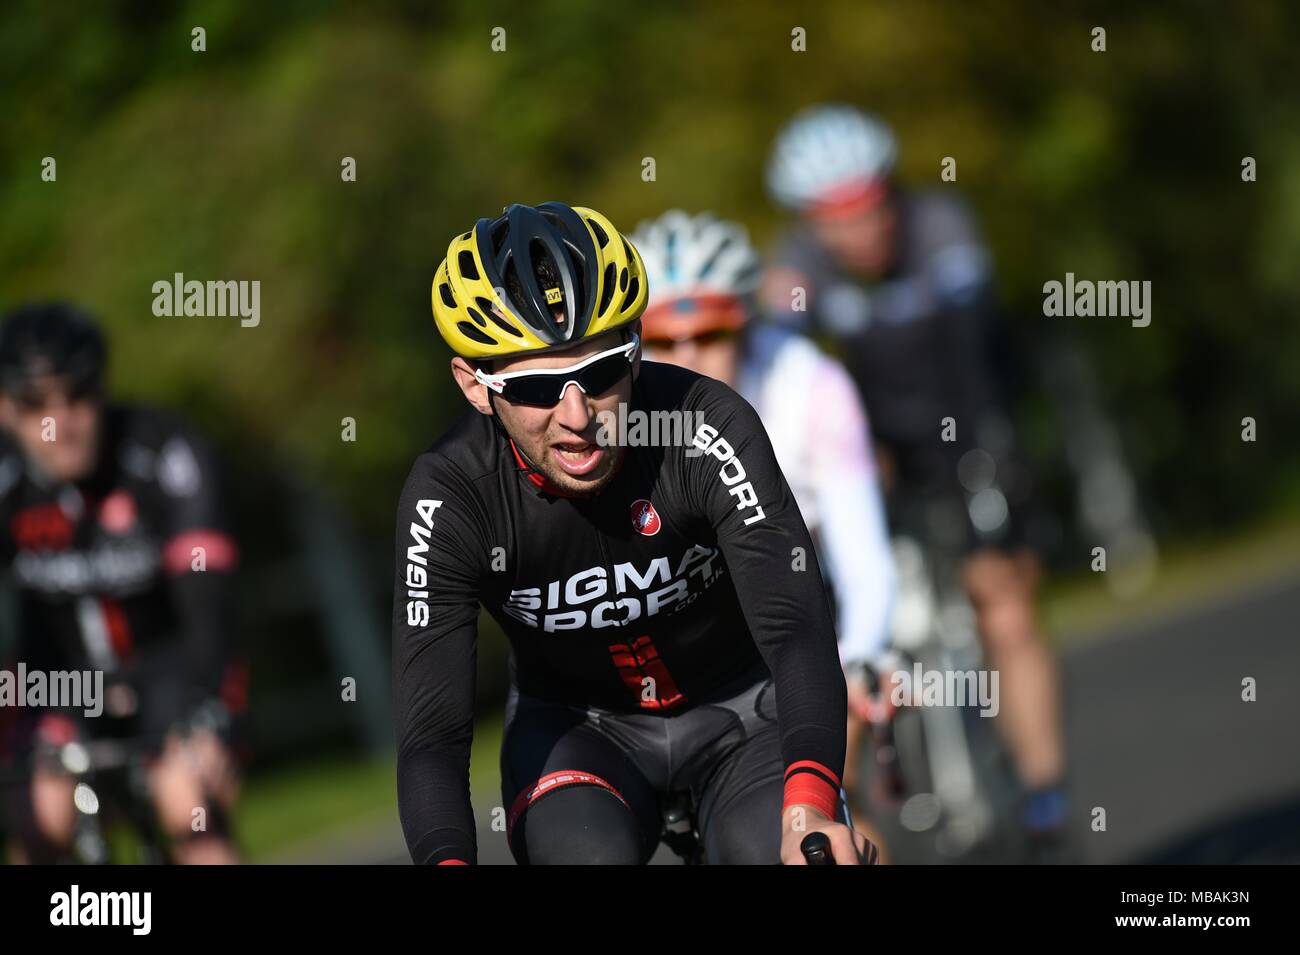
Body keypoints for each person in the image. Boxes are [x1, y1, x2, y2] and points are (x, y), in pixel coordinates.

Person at [394, 201, 874, 865]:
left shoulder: (703, 426)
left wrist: (810, 809)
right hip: (580, 733)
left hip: (745, 714)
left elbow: (796, 626)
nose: (576, 414)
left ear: (637, 349)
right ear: (476, 386)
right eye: (536, 386)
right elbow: (432, 733)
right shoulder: (449, 496)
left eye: (598, 372)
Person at [764, 105, 1069, 845]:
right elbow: (777, 369)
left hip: (972, 427)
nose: (858, 229)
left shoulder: (941, 227)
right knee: (845, 625)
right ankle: (841, 807)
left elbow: (977, 362)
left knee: (1002, 597)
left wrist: (988, 460)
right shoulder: (795, 263)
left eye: (869, 205)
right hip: (873, 449)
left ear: (889, 190)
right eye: (832, 217)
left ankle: (1043, 789)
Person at [630, 209, 899, 801]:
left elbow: (862, 554)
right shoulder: (613, 408)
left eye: (710, 334)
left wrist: (861, 657)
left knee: (825, 796)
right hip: (680, 630)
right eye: (664, 339)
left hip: (799, 600)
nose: (688, 355)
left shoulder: (811, 385)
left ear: (746, 323)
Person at [0, 302, 242, 864]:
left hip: (174, 668)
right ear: (5, 409)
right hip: (59, 683)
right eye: (36, 405)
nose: (63, 422)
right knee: (40, 816)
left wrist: (208, 711)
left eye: (79, 395)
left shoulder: (161, 451)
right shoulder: (8, 481)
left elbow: (209, 596)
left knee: (189, 806)